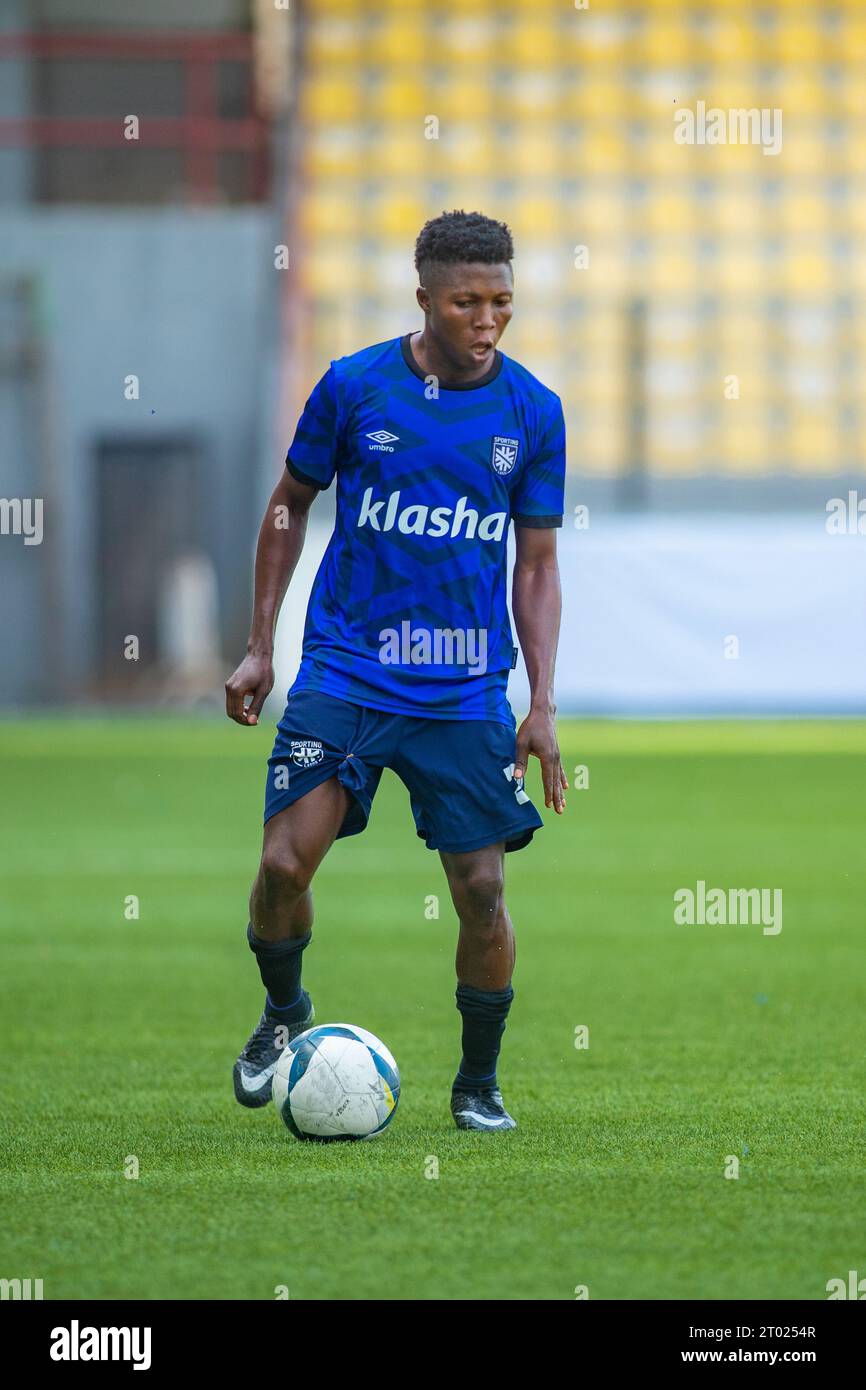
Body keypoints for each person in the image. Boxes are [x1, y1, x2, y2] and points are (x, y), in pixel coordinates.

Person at [225, 210, 567, 1131]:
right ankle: (286, 1013)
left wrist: (541, 700)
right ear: (424, 299)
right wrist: (262, 644)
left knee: (483, 891)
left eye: (501, 300)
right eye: (467, 302)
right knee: (284, 864)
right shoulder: (354, 388)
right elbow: (288, 506)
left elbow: (535, 562)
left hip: (463, 687)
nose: (488, 319)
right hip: (346, 670)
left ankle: (478, 1084)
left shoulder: (533, 411)